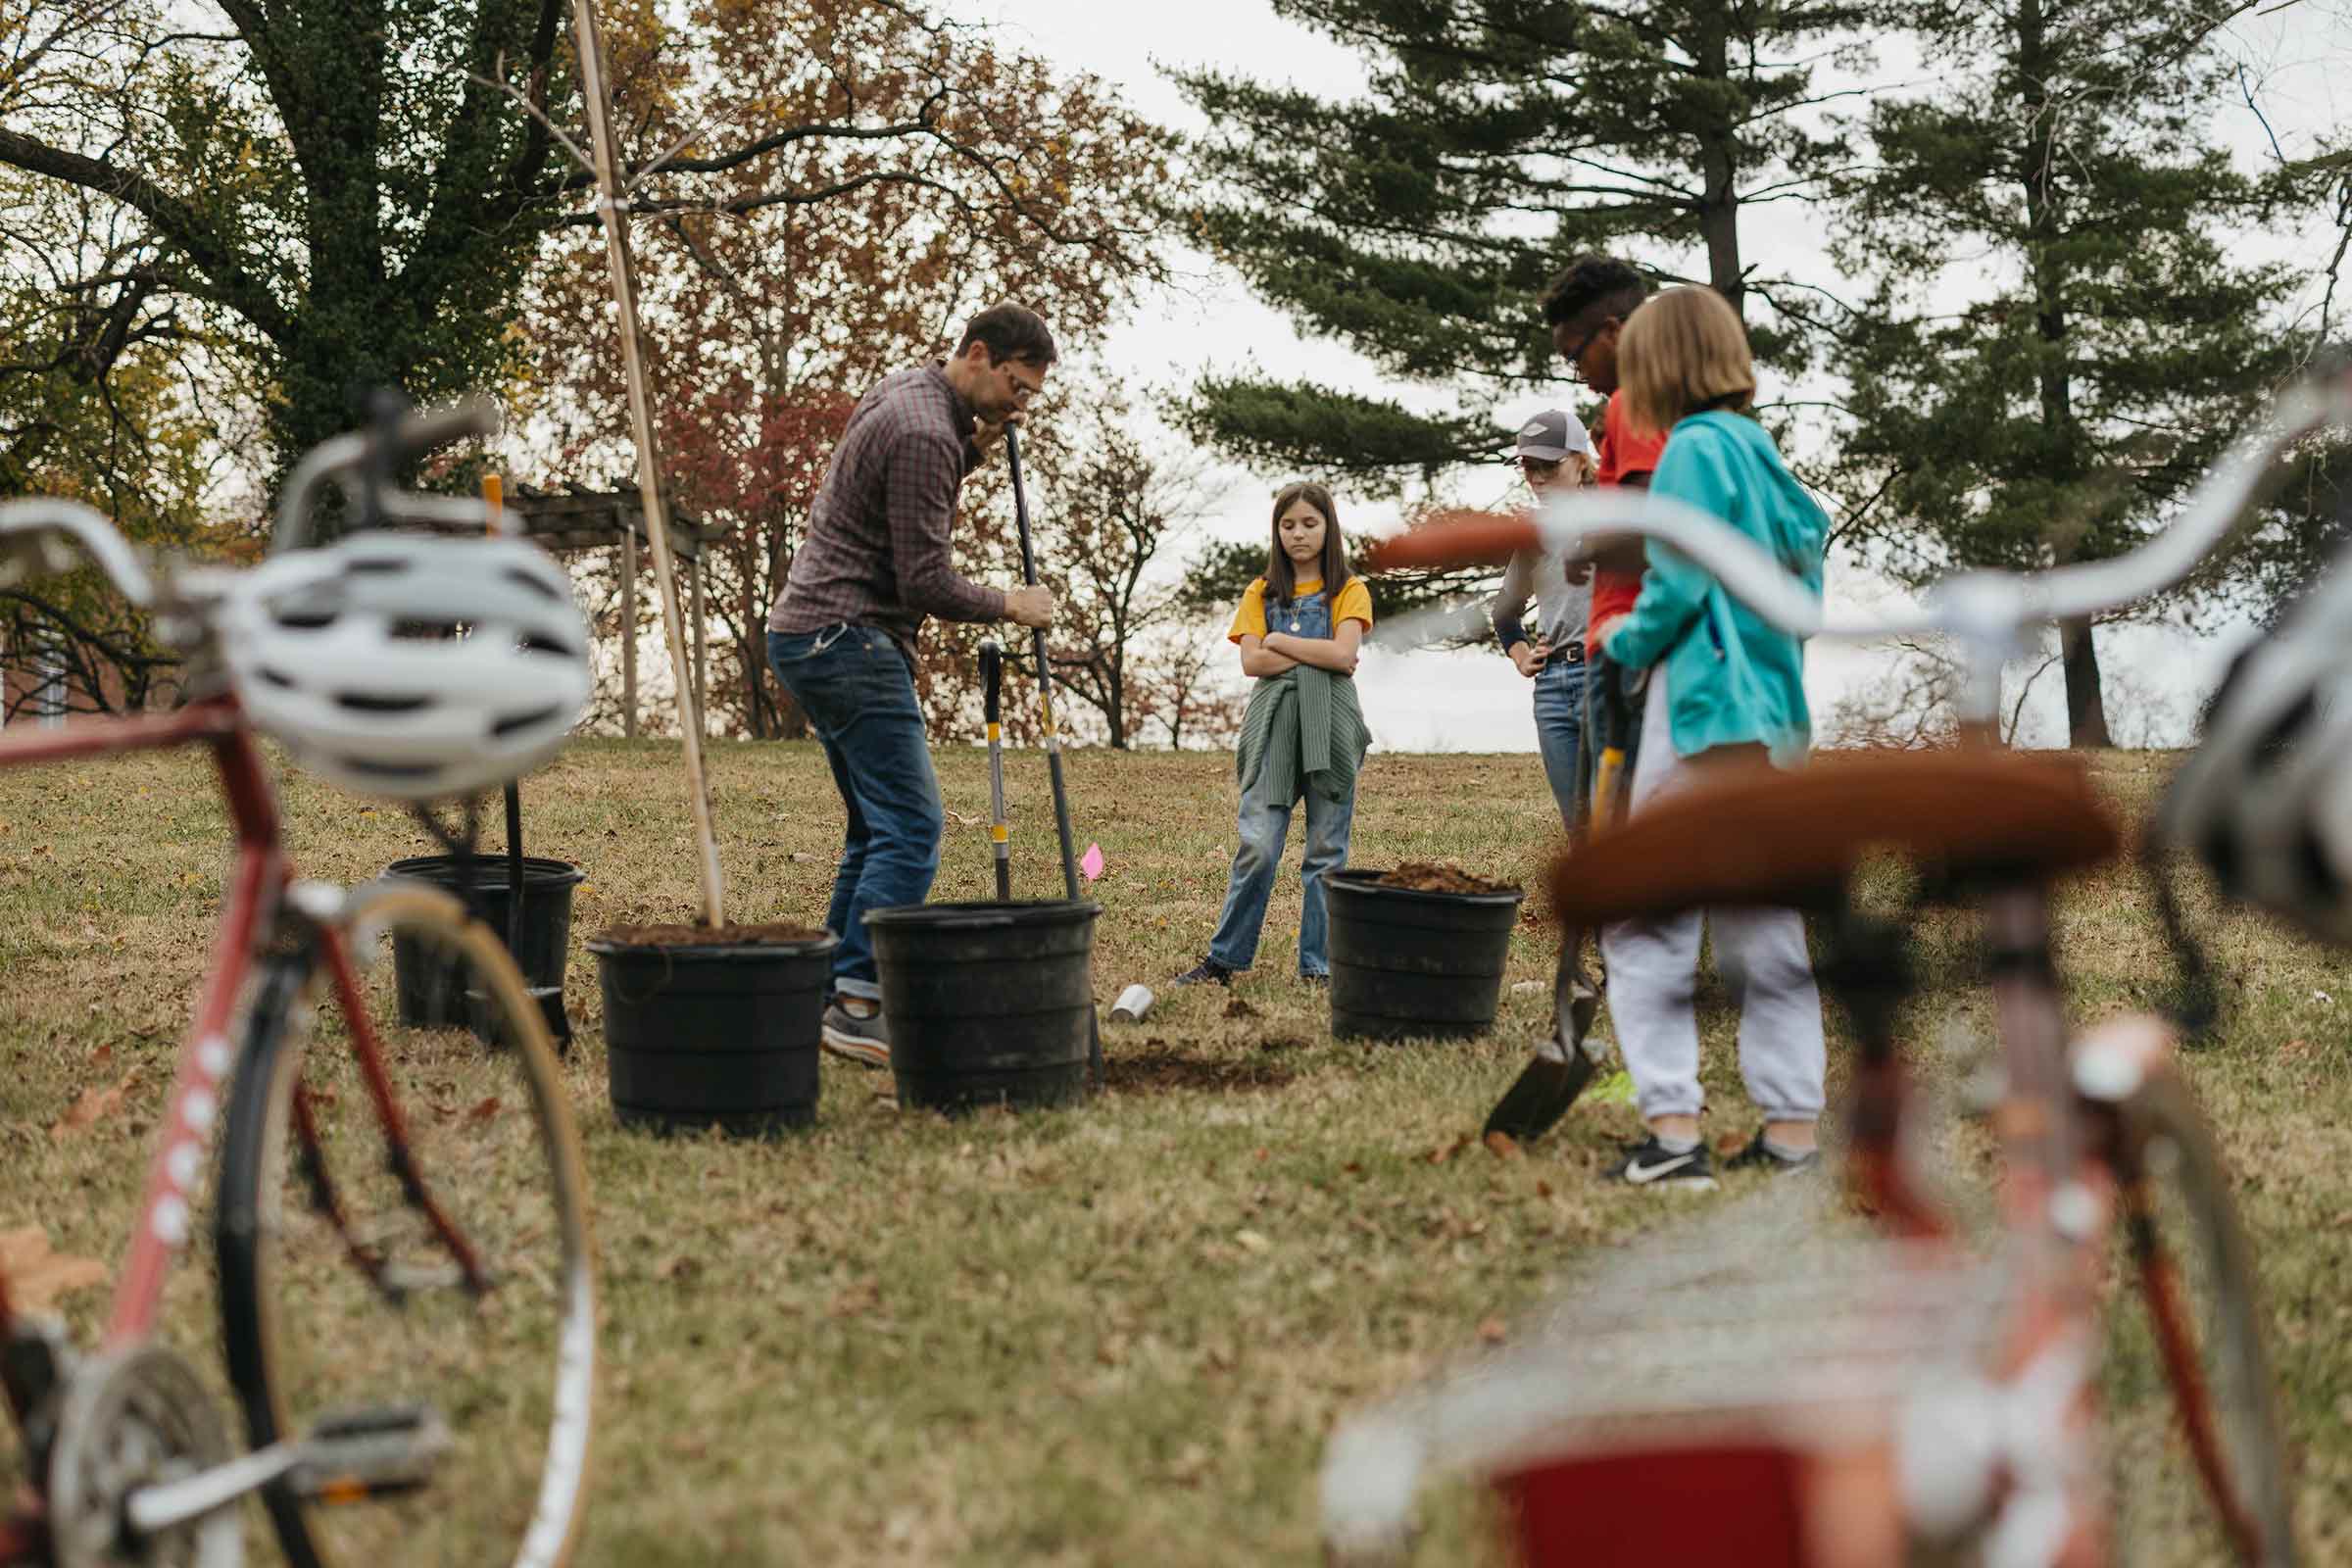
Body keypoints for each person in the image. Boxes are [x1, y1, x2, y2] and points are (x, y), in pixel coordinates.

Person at [766, 303, 1059, 1068]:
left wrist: (976, 450)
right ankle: (860, 999)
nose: (1020, 405)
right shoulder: (928, 433)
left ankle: (824, 989)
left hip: (807, 633)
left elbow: (906, 498)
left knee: (874, 827)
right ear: (980, 354)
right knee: (912, 828)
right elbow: (925, 578)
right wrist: (1011, 603)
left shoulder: (909, 393)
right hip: (849, 641)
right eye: (1018, 387)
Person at [1595, 284, 1830, 1190]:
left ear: (1658, 367)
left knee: (1644, 915)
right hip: (1769, 724)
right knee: (1763, 925)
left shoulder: (1693, 448)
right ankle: (1792, 1134)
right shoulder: (1762, 453)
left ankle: (1674, 1135)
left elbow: (1682, 577)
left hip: (1697, 712)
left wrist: (1630, 638)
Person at [1172, 483, 1372, 988]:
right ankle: (1224, 960)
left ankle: (1318, 967)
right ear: (1276, 531)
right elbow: (1251, 661)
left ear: (1328, 528)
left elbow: (1344, 656)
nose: (1299, 534)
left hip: (1330, 726)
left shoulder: (1349, 590)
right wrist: (1309, 647)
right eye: (1288, 525)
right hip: (1273, 726)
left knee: (1326, 853)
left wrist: (1280, 641)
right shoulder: (1259, 593)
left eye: (1309, 523)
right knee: (1258, 845)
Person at [1540, 255, 1665, 823]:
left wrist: (1584, 549)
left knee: (1613, 833)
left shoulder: (1629, 403)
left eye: (1574, 353)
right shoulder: (1672, 400)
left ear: (1613, 332)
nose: (1576, 372)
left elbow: (1646, 524)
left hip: (1621, 647)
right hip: (1643, 645)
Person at [1490, 409, 1597, 833]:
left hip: (1607, 674)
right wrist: (1520, 655)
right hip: (1552, 688)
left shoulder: (1618, 517)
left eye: (1548, 467)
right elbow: (1504, 611)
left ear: (1580, 461)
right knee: (1579, 826)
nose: (1536, 479)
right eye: (1528, 468)